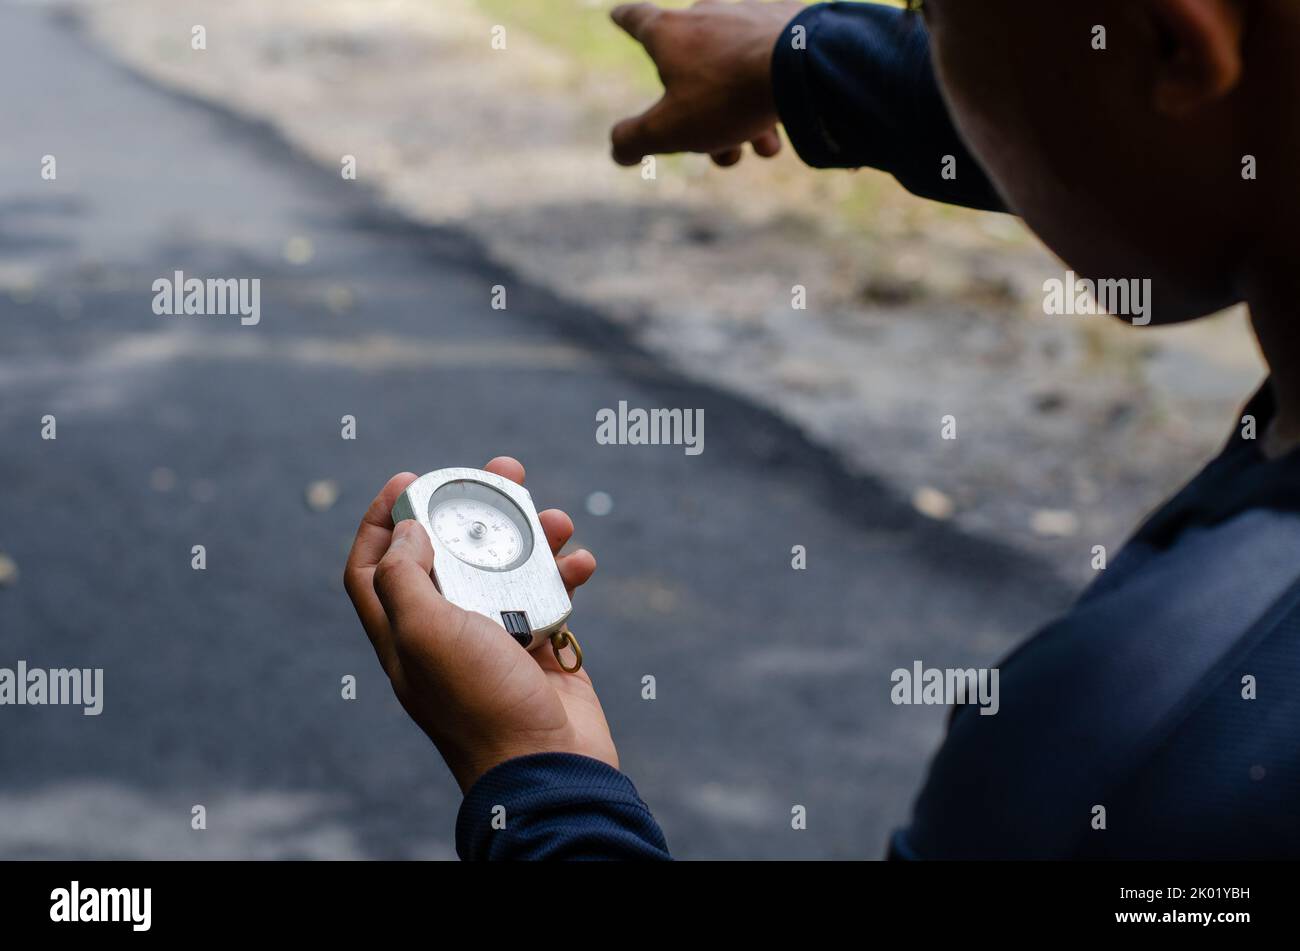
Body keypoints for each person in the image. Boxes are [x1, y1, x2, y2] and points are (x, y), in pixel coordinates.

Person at [344, 0, 1300, 859]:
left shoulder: (1128, 765)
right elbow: (1128, 100)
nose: (921, 37)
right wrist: (803, 64)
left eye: (927, 13)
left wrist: (540, 777)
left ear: (1177, 41)